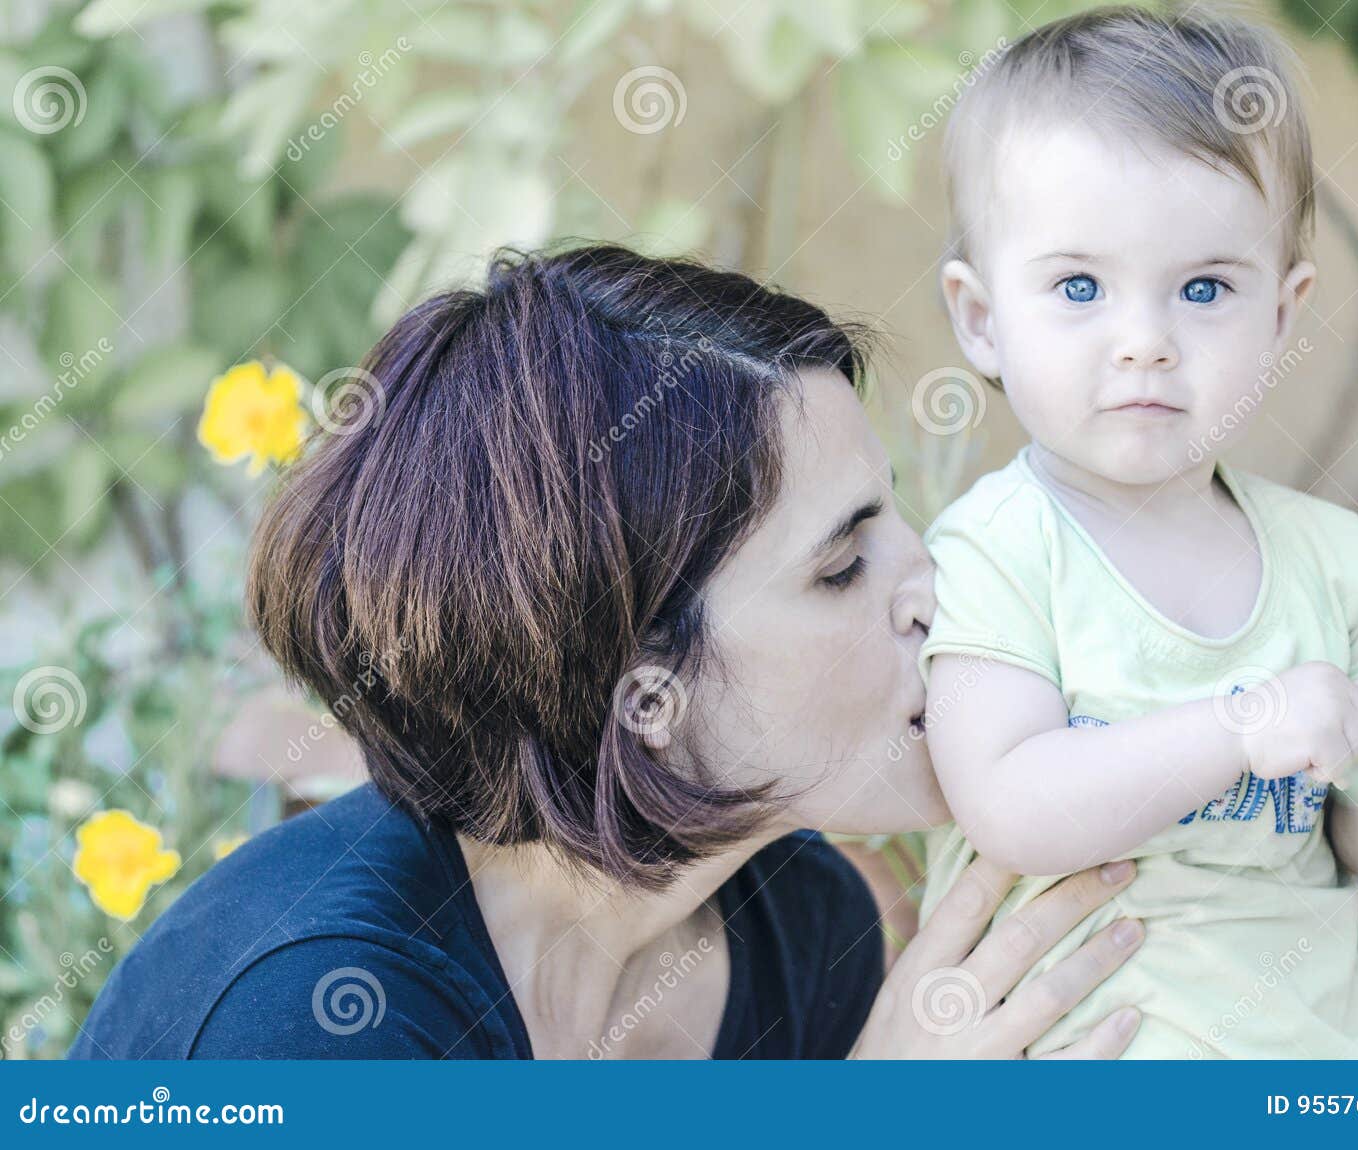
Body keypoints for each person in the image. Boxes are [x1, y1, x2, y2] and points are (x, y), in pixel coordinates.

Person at [71, 244, 1145, 1059]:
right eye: (839, 566)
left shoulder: (806, 927)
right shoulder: (313, 1019)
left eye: (897, 520)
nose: (937, 591)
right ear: (641, 693)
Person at [919, 6, 1358, 1058]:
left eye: (1204, 288)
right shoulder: (997, 547)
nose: (1145, 343)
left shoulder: (1331, 557)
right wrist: (1242, 725)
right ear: (981, 319)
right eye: (1080, 286)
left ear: (1281, 314)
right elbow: (1010, 803)